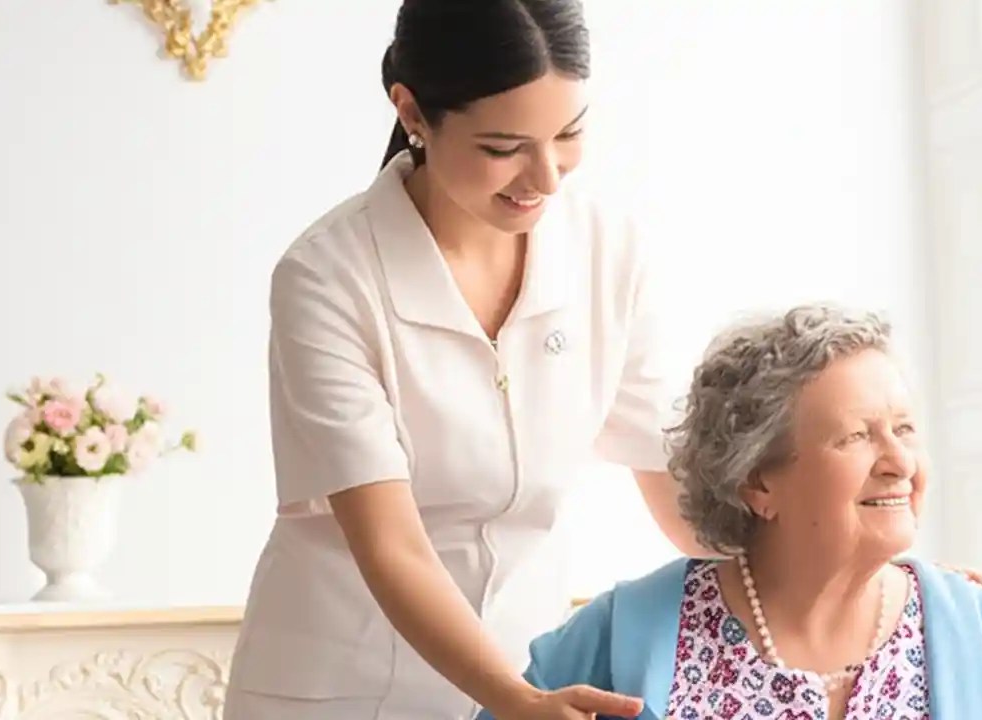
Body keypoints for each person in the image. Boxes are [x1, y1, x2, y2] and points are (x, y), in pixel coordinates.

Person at [222, 1, 699, 718]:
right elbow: (392, 547)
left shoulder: (607, 251)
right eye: (503, 146)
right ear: (412, 113)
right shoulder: (328, 276)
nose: (545, 175)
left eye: (567, 133)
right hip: (340, 690)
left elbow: (682, 491)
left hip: (525, 674)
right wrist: (512, 700)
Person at [478, 304, 982, 720]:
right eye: (857, 437)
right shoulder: (624, 634)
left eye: (905, 428)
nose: (899, 460)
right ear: (759, 481)